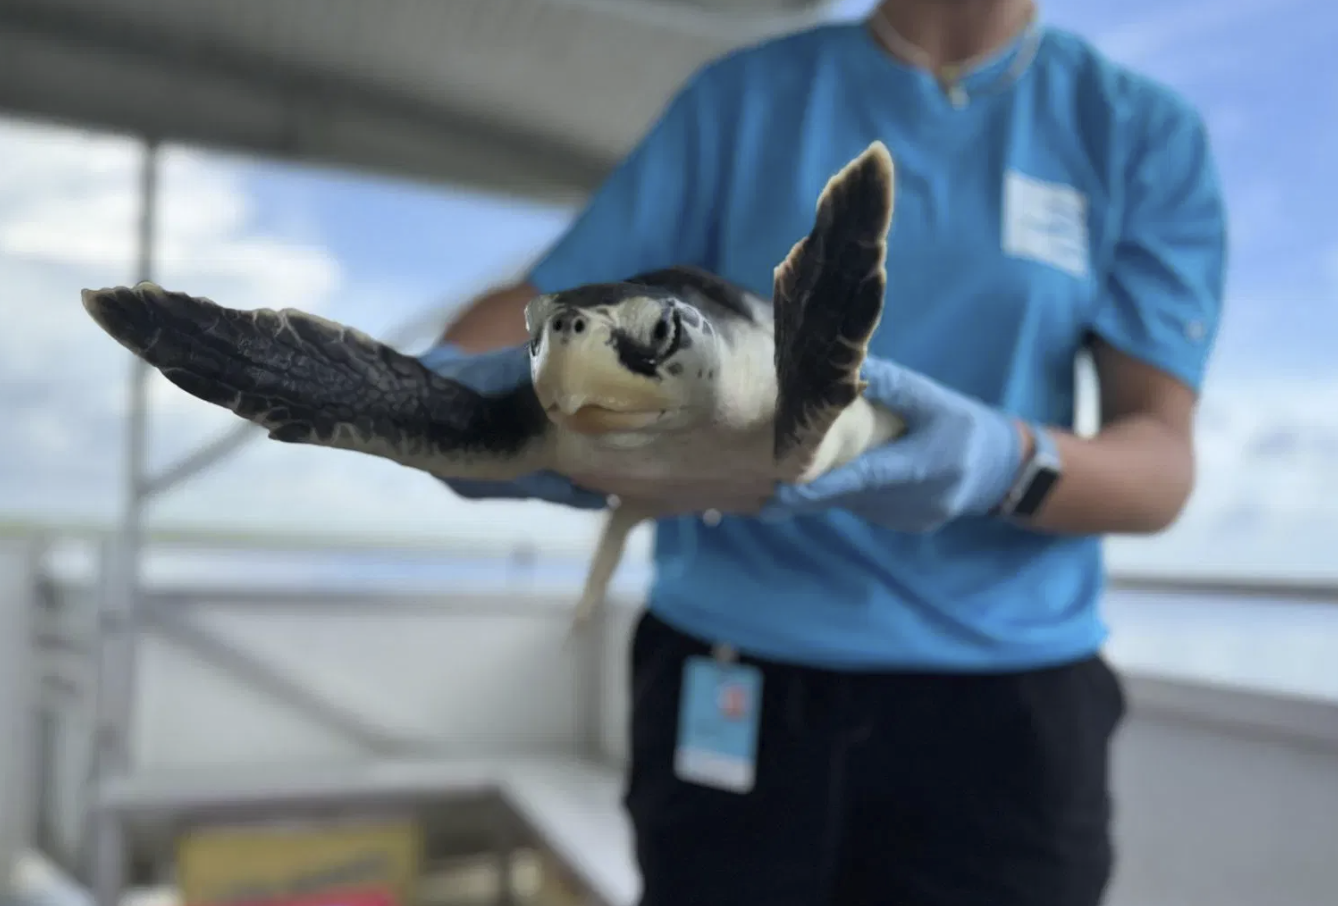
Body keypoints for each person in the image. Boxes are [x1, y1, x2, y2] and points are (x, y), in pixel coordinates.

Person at [423, 0, 1227, 902]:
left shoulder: (1134, 130)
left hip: (1003, 711)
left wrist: (1001, 462)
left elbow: (1159, 465)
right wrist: (464, 409)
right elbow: (488, 341)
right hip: (733, 673)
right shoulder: (744, 99)